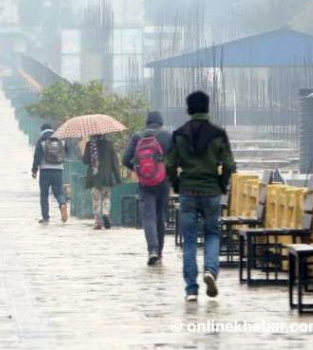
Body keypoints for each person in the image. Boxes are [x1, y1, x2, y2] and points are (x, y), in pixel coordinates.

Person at [166, 91, 236, 301]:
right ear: (207, 108)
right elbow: (230, 164)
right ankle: (210, 271)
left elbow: (169, 164)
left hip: (188, 191)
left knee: (189, 239)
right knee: (212, 234)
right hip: (211, 192)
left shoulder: (179, 134)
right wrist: (221, 185)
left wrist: (178, 184)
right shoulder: (218, 133)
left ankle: (191, 289)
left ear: (189, 109)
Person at [122, 111, 172, 266]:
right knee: (160, 216)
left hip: (145, 183)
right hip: (164, 182)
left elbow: (125, 159)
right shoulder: (168, 136)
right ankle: (160, 252)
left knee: (148, 216)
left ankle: (153, 250)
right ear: (161, 121)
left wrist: (139, 170)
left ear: (147, 122)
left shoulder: (138, 137)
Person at [83, 134, 122, 230]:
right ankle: (105, 213)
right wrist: (118, 178)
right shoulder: (109, 144)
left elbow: (85, 161)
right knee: (106, 197)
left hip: (94, 177)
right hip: (106, 177)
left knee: (96, 200)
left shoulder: (90, 144)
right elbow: (114, 162)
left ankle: (97, 222)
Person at [31, 123, 68, 224]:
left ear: (42, 130)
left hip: (45, 171)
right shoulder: (60, 139)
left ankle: (45, 218)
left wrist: (34, 170)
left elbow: (37, 156)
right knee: (59, 193)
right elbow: (67, 151)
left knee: (44, 195)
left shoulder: (41, 140)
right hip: (58, 170)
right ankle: (62, 204)